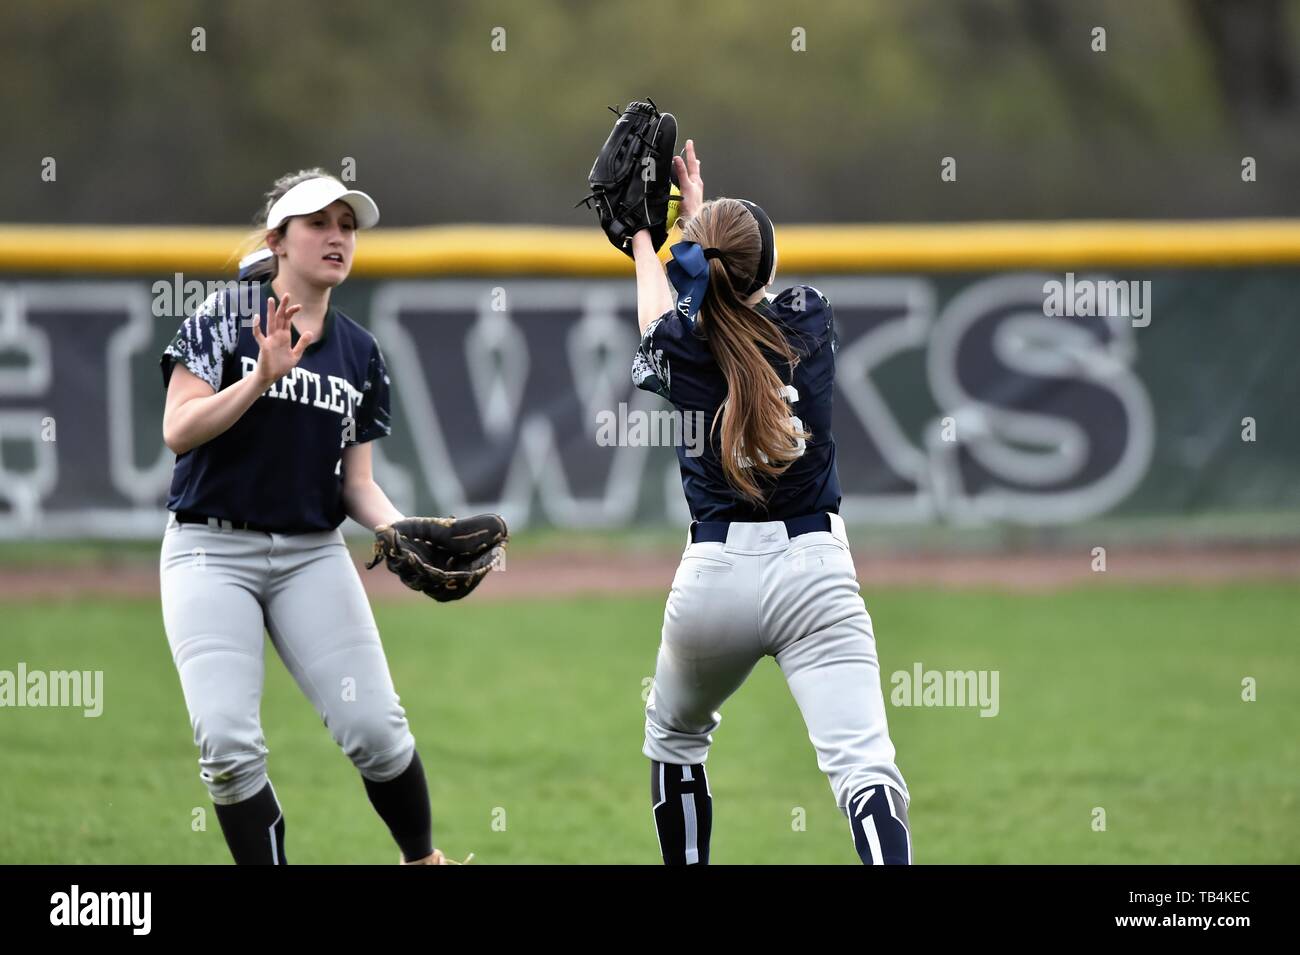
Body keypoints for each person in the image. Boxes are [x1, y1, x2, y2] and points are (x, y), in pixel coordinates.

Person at [630, 141, 912, 865]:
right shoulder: (809, 319)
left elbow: (672, 319)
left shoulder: (678, 348)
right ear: (767, 265)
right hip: (816, 570)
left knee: (674, 739)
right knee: (865, 767)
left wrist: (647, 238)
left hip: (712, 578)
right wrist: (703, 228)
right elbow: (735, 291)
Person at [158, 168, 450, 864]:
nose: (337, 236)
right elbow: (179, 429)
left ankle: (424, 861)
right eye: (318, 223)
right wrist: (259, 378)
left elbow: (358, 485)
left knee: (376, 730)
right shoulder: (222, 316)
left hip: (311, 555)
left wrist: (401, 530)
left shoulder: (361, 352)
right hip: (209, 550)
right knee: (228, 744)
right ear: (277, 241)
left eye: (346, 225)